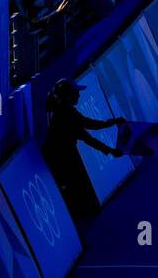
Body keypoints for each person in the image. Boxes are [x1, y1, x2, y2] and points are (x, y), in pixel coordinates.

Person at [43, 79, 129, 216]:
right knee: (73, 187)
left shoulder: (66, 110)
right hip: (61, 157)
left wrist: (114, 122)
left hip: (65, 153)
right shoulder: (66, 116)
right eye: (76, 93)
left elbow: (90, 124)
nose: (79, 95)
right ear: (68, 95)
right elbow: (88, 138)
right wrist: (111, 150)